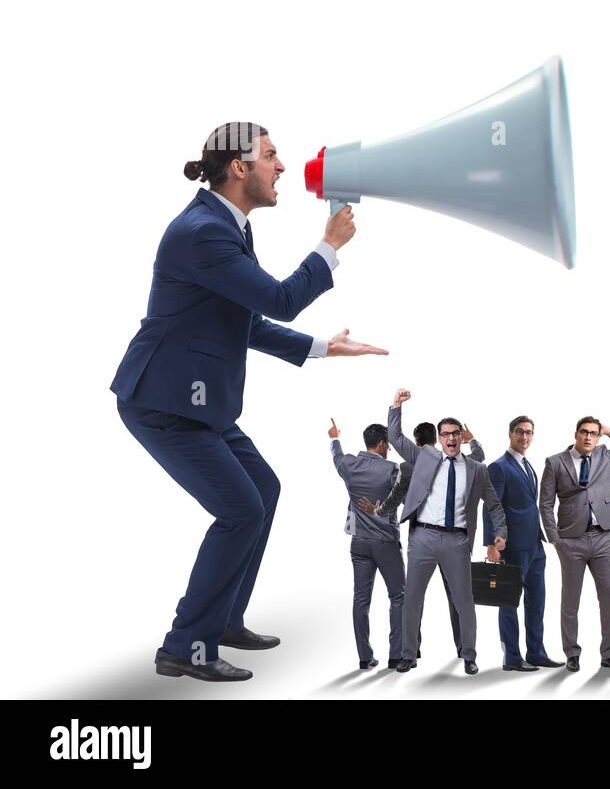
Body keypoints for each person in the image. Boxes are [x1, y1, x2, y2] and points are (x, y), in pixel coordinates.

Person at [112, 122, 386, 682]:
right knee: (240, 509)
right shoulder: (202, 232)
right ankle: (185, 647)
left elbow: (246, 321)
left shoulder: (227, 225)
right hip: (163, 402)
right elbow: (282, 300)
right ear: (239, 168)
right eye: (270, 155)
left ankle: (224, 620)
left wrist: (322, 348)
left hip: (200, 404)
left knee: (262, 490)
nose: (282, 166)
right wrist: (328, 246)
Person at [365, 389, 507, 675]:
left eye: (456, 434)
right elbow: (396, 438)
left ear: (460, 438)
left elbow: (494, 505)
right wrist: (396, 406)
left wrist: (500, 533)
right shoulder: (424, 458)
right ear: (440, 438)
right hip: (423, 539)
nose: (451, 438)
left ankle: (469, 655)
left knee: (464, 600)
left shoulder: (477, 469)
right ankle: (408, 654)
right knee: (412, 598)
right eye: (445, 434)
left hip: (457, 541)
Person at [539, 418, 610, 672]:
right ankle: (571, 653)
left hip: (602, 538)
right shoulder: (555, 462)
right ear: (576, 433)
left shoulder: (604, 455)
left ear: (598, 437)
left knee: (609, 598)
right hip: (570, 540)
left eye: (594, 434)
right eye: (584, 432)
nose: (588, 437)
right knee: (570, 600)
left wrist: (609, 430)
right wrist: (554, 538)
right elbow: (545, 504)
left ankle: (609, 654)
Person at [481, 416, 563, 671]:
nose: (524, 437)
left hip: (535, 545)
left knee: (537, 601)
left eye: (529, 433)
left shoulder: (528, 466)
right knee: (509, 602)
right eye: (519, 432)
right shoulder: (499, 467)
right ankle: (513, 658)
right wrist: (491, 544)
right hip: (511, 545)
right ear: (509, 433)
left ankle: (536, 652)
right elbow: (491, 507)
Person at [330, 420, 405, 670]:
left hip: (359, 542)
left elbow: (337, 456)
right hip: (385, 541)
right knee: (399, 596)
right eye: (389, 445)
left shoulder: (349, 465)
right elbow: (404, 498)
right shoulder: (391, 470)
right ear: (383, 444)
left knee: (360, 600)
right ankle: (396, 656)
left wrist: (334, 438)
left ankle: (364, 657)